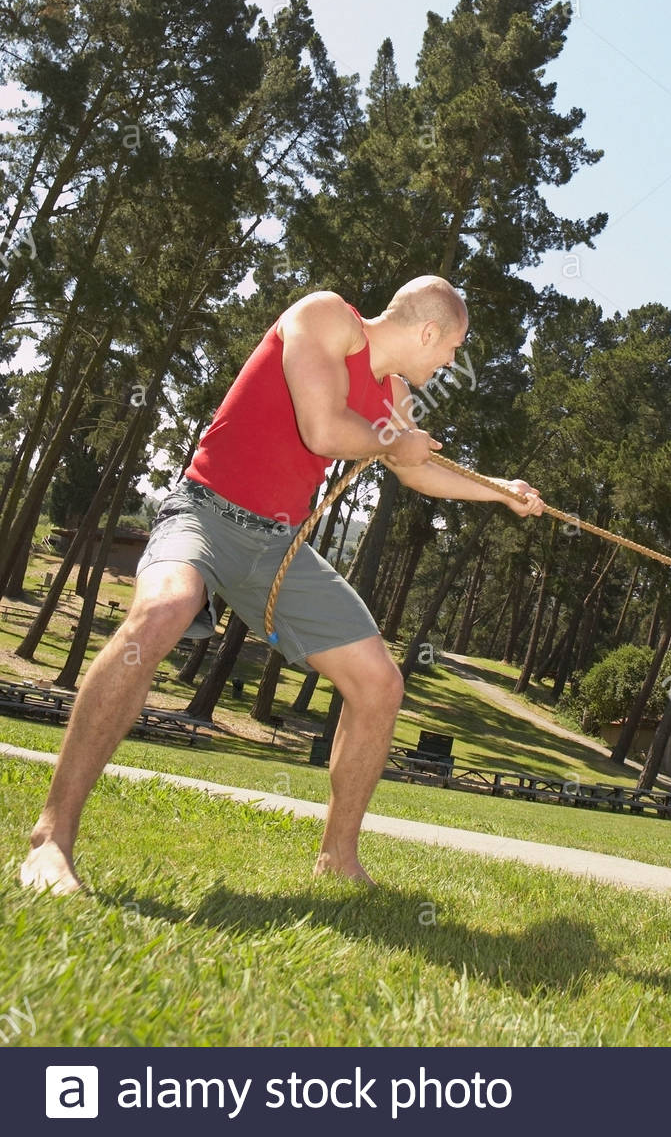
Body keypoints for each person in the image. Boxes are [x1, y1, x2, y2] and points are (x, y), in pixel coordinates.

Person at [21, 279, 544, 895]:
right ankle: (51, 840)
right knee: (165, 609)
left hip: (279, 548)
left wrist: (499, 490)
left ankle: (338, 859)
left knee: (379, 684)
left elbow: (417, 470)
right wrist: (394, 441)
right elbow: (324, 429)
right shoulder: (326, 317)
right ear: (428, 331)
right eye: (452, 348)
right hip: (205, 513)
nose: (451, 363)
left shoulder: (395, 394)